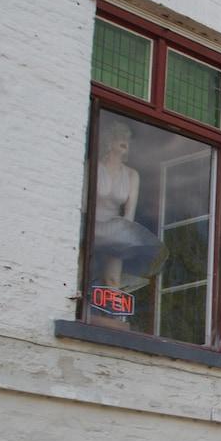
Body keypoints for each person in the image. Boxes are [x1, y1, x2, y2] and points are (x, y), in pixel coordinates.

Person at [90, 117, 167, 319]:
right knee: (82, 271)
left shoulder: (132, 175)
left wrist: (125, 235)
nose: (125, 142)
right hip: (91, 226)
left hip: (116, 230)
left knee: (113, 278)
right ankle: (81, 312)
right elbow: (83, 202)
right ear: (109, 141)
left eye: (127, 139)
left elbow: (129, 212)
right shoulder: (93, 167)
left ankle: (113, 318)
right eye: (120, 137)